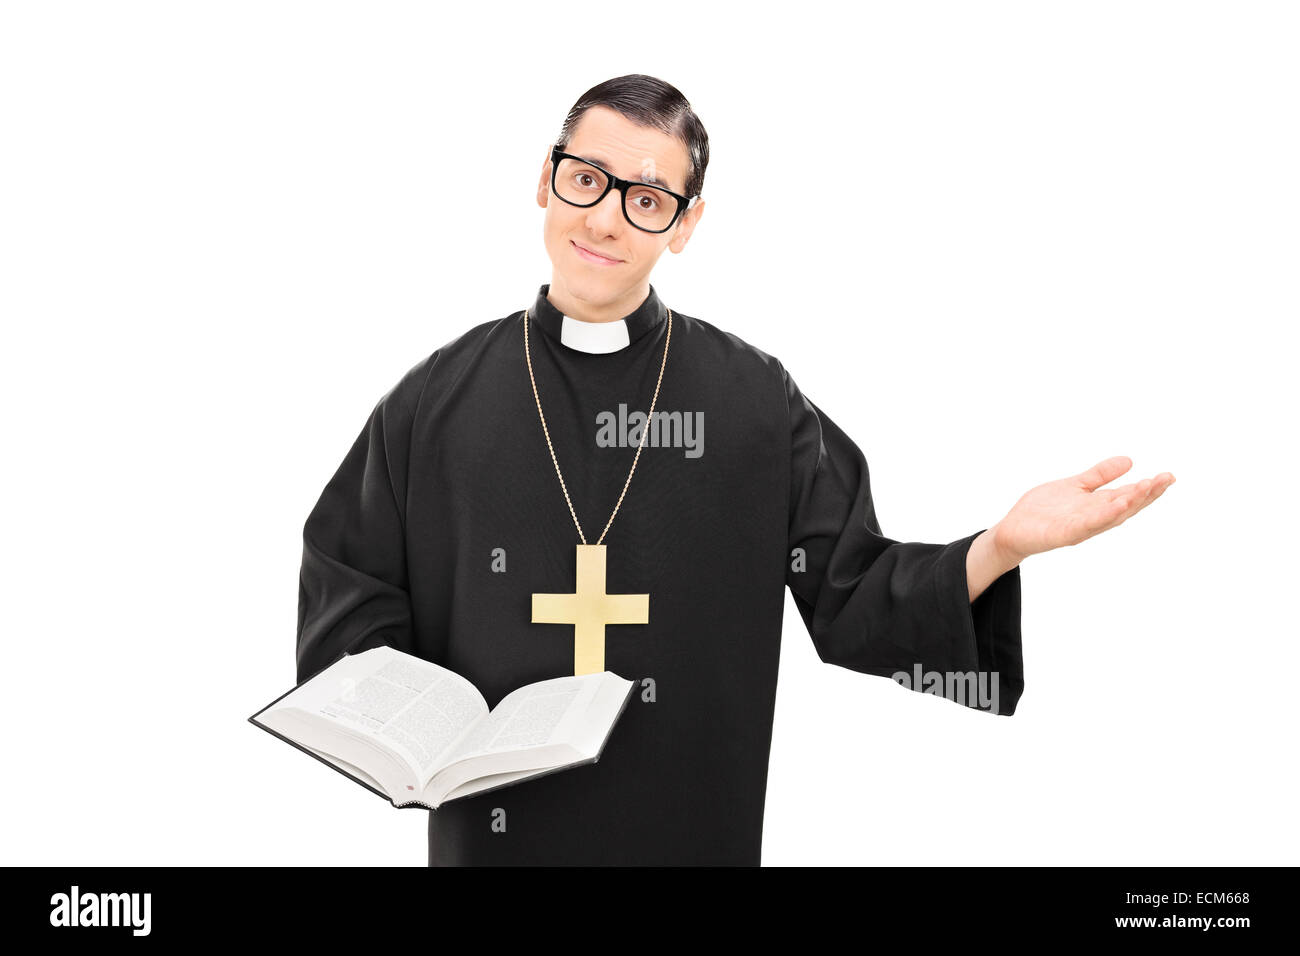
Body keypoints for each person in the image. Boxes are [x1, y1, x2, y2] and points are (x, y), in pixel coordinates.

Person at [295, 74, 1175, 866]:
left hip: (690, 832)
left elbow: (853, 594)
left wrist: (998, 547)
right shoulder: (437, 398)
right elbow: (350, 598)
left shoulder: (752, 400)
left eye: (648, 198)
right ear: (545, 179)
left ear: (685, 225)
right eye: (588, 179)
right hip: (495, 840)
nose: (605, 217)